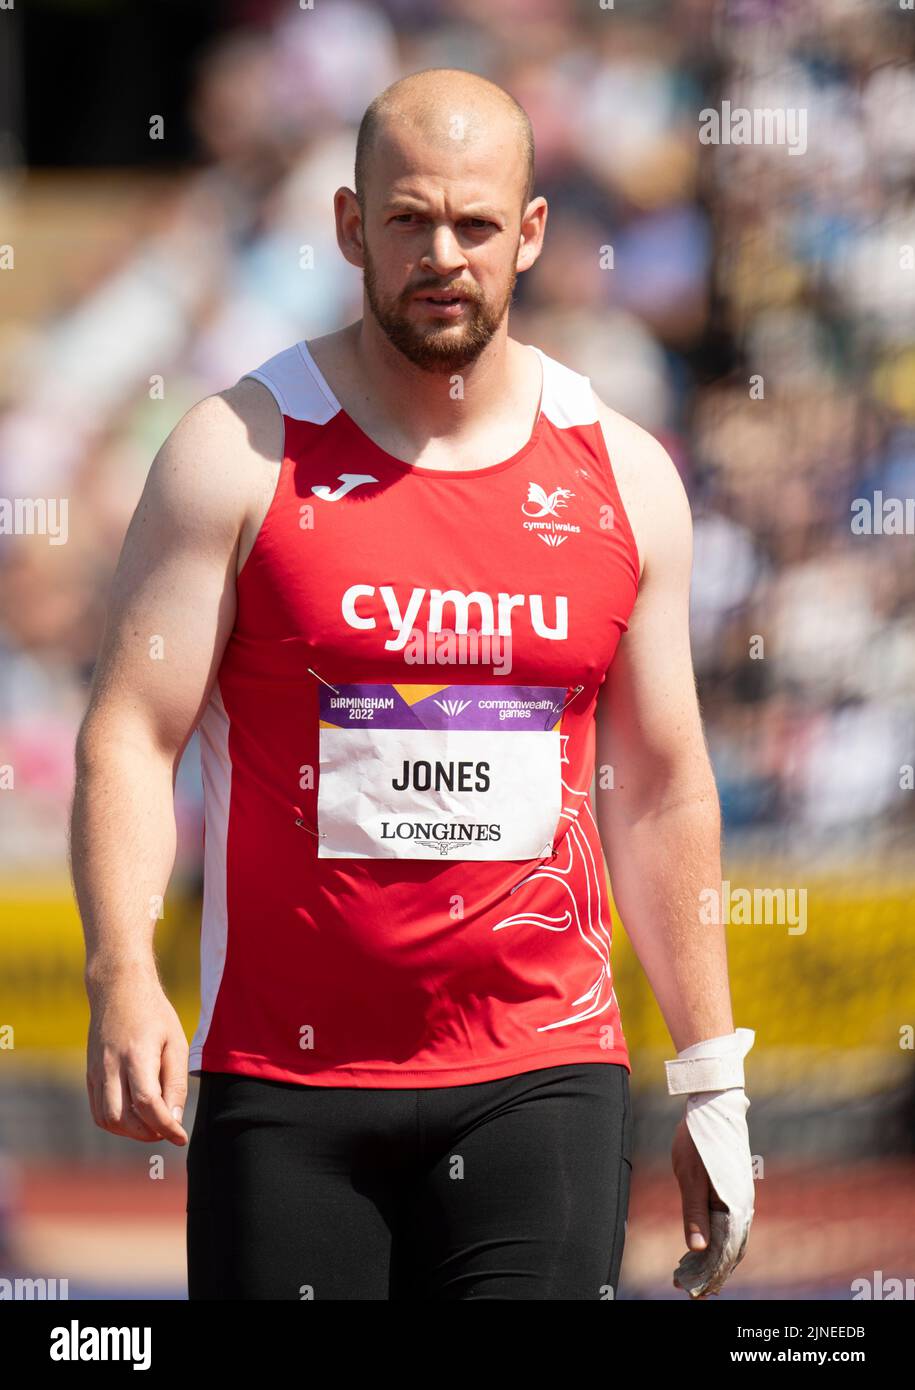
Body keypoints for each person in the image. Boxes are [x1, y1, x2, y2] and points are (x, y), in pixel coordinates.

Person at [70, 68, 754, 1301]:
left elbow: (658, 784)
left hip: (543, 1073)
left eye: (478, 225)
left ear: (532, 233)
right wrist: (123, 970)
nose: (444, 255)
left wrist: (712, 1075)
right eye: (408, 220)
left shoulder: (625, 474)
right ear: (348, 225)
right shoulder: (237, 451)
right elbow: (128, 731)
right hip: (286, 1085)